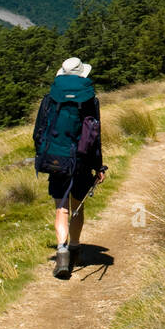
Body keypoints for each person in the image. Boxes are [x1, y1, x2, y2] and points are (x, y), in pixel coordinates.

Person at [32, 57, 106, 279]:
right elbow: (94, 137)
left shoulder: (50, 99)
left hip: (57, 160)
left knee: (61, 208)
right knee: (77, 207)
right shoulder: (90, 100)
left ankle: (62, 254)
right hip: (81, 160)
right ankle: (75, 248)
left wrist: (45, 154)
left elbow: (38, 132)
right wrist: (98, 166)